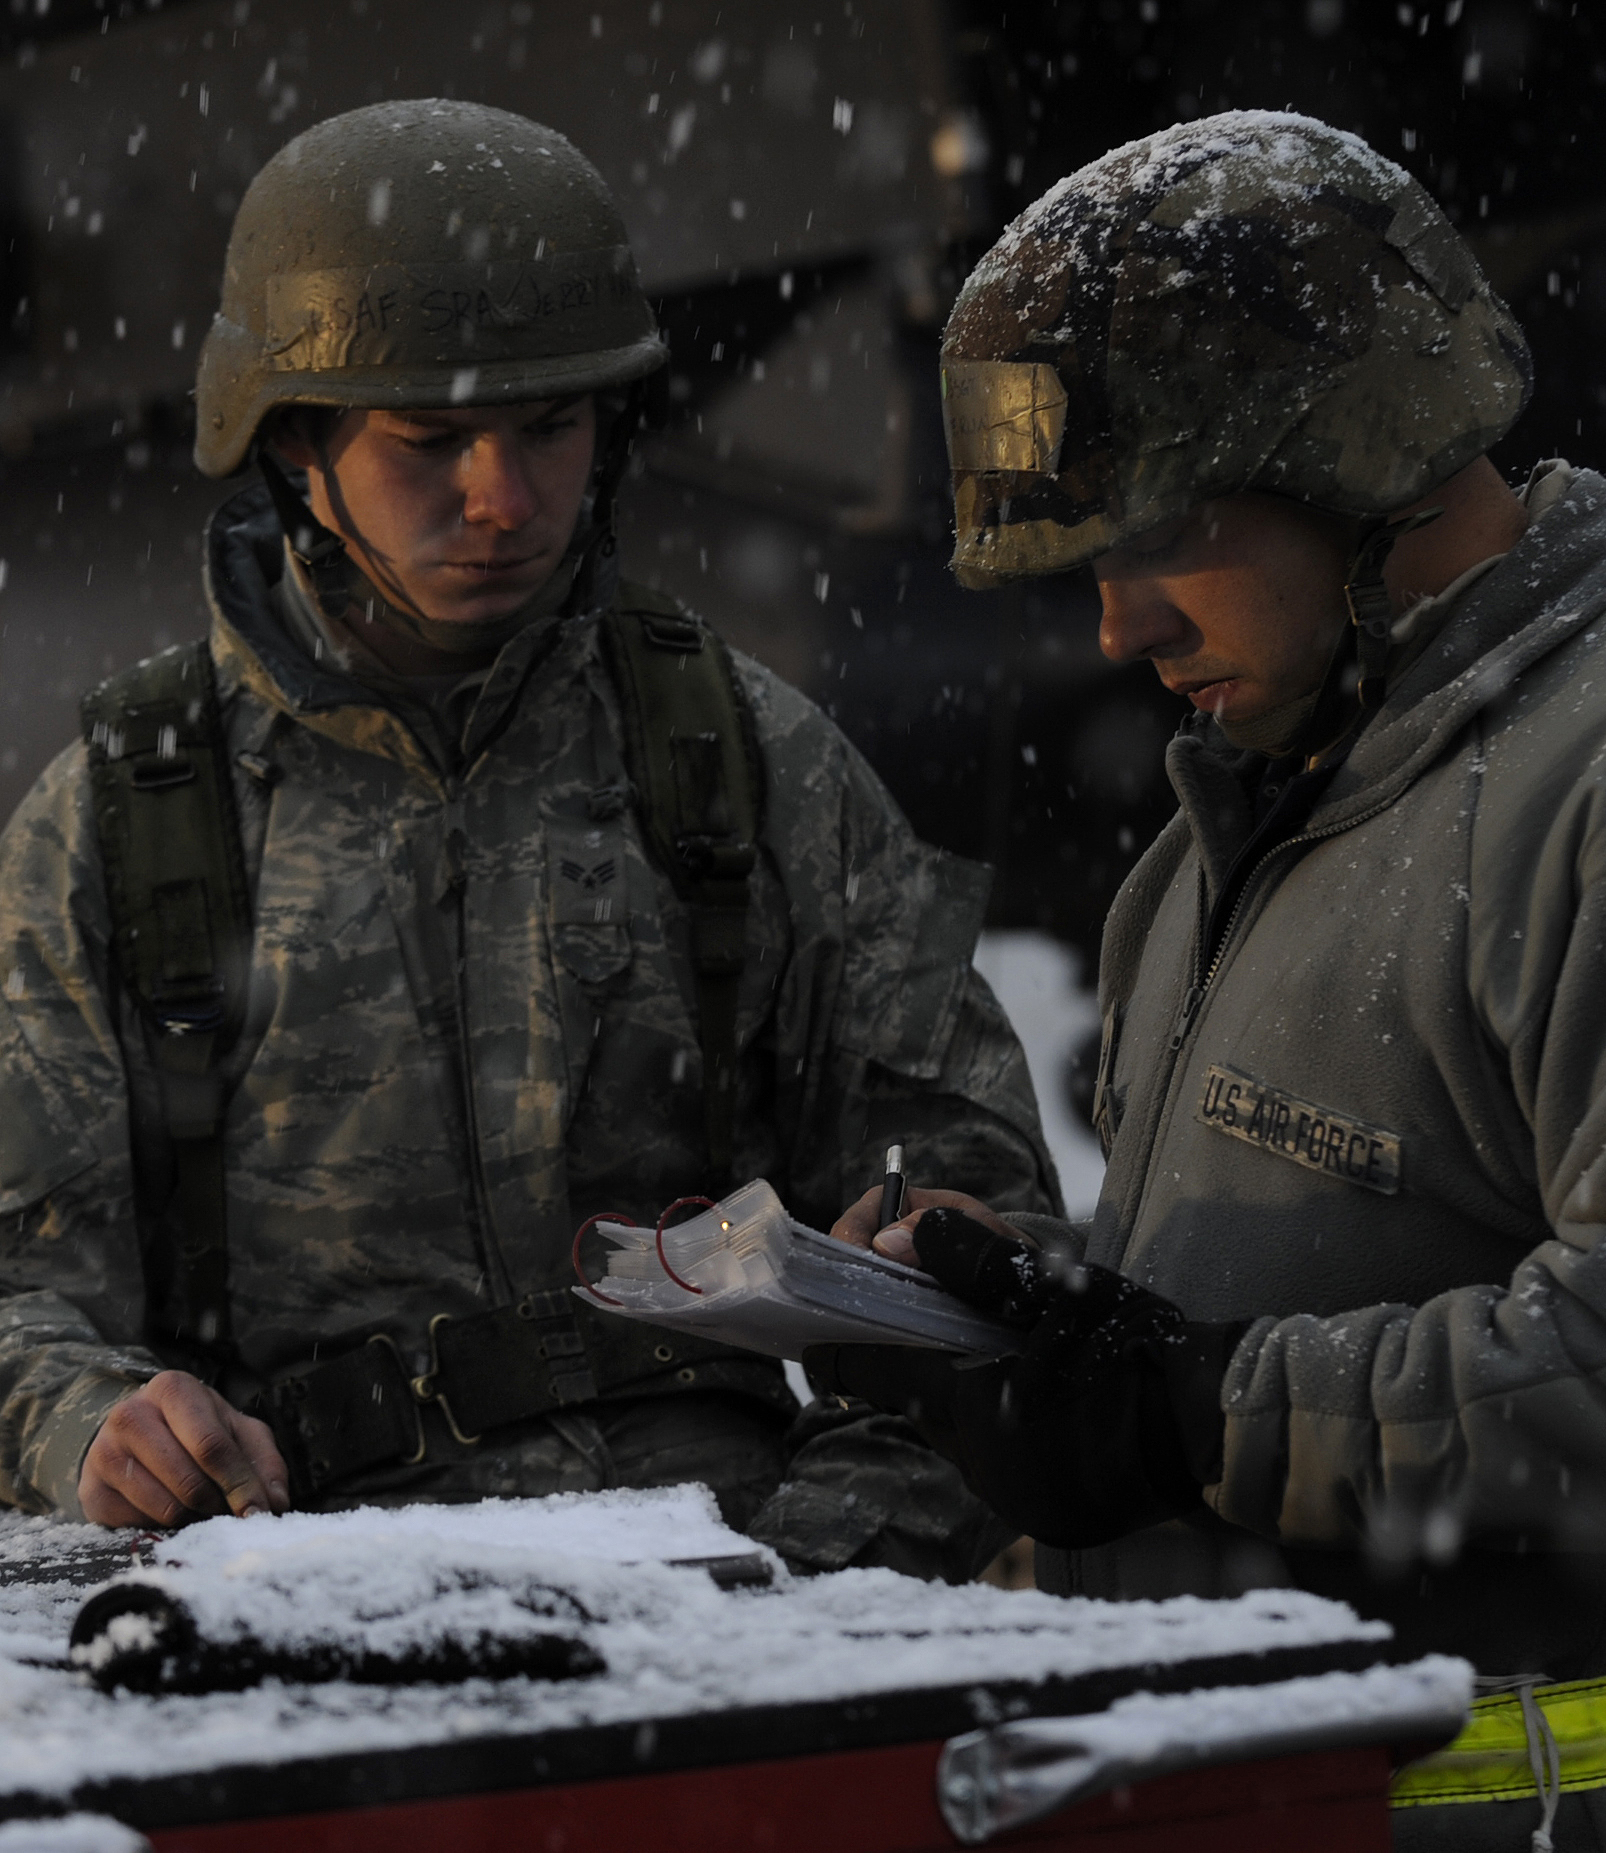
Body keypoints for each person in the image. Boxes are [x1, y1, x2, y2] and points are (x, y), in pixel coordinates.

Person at [817, 112, 1606, 1845]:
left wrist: (1195, 1410)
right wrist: (1043, 1322)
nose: (1117, 628)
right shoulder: (1239, 818)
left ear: (1364, 456)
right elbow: (1297, 1291)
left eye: (1157, 533)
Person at [0, 99, 1057, 1585]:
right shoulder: (120, 826)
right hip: (309, 1601)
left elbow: (982, 1232)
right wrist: (96, 1427)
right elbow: (20, 1303)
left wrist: (820, 1557)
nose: (502, 499)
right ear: (295, 442)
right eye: (430, 441)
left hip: (735, 1588)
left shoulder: (747, 762)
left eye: (552, 428)